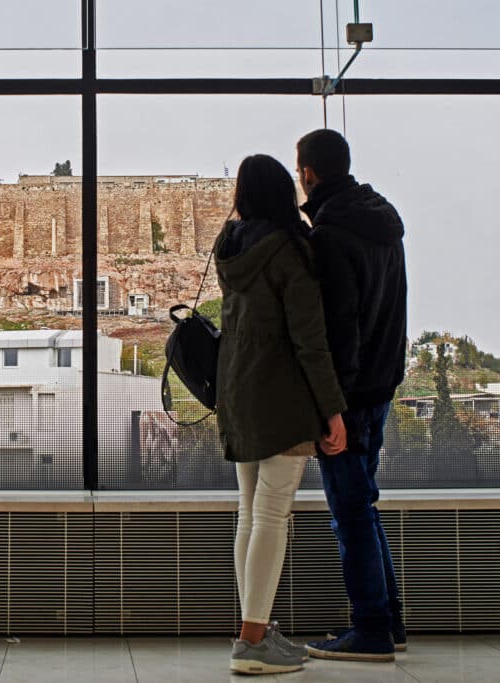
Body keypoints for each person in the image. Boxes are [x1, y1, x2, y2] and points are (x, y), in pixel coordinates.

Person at [216, 154, 348, 675]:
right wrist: (332, 409)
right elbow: (310, 341)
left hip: (238, 394)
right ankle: (252, 643)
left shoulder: (230, 247)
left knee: (250, 515)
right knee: (271, 517)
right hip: (284, 401)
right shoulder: (291, 251)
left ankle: (255, 630)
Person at [297, 129, 409, 662]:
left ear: (308, 172)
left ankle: (370, 629)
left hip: (352, 394)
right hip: (382, 384)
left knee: (350, 511)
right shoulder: (383, 224)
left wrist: (332, 407)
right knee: (364, 504)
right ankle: (389, 621)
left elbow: (340, 327)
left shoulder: (331, 235)